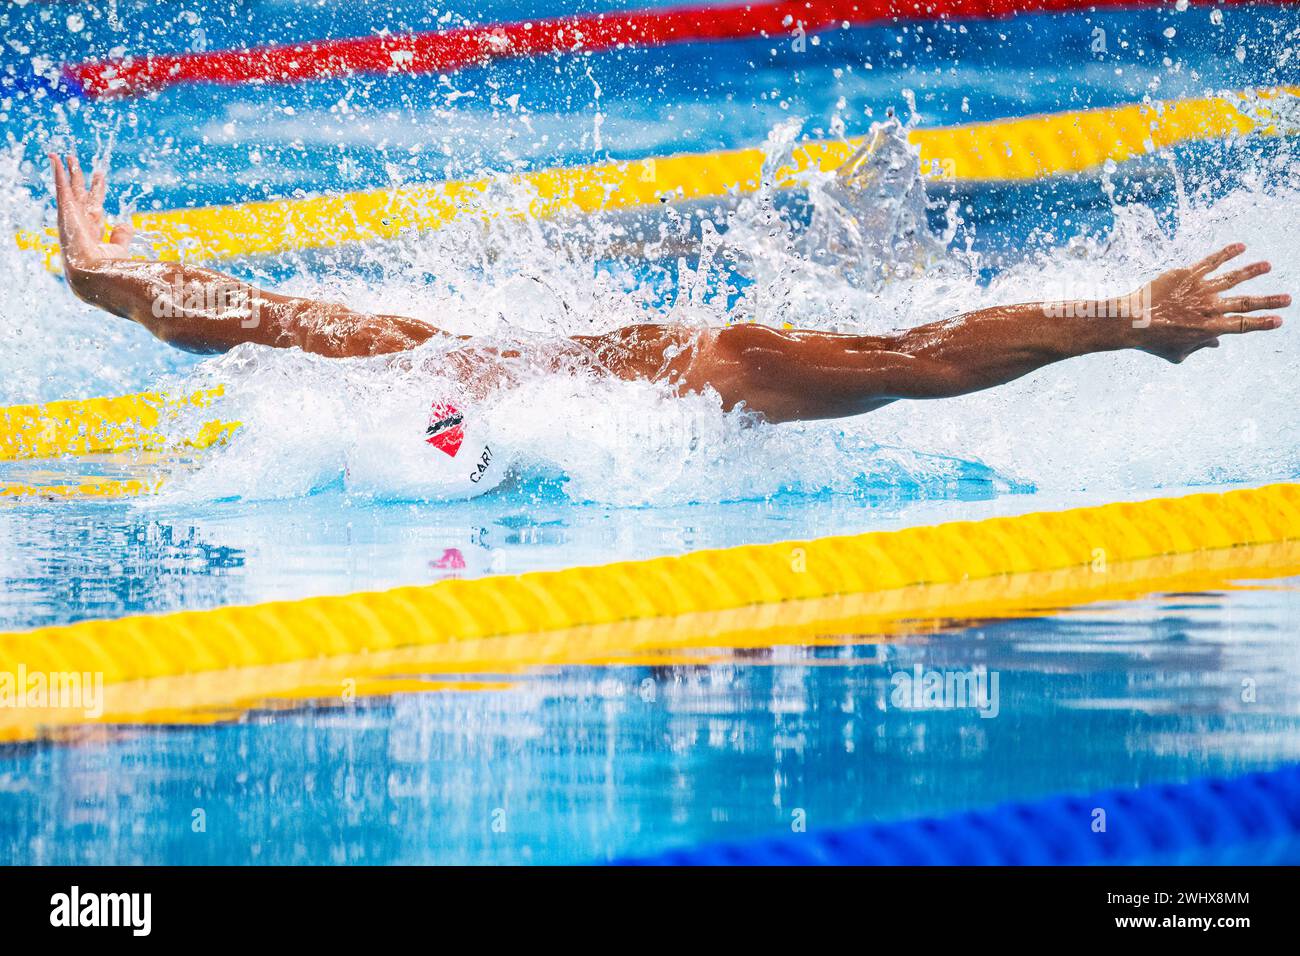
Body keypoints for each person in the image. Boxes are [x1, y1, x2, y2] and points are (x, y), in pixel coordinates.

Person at [48, 150, 1289, 425]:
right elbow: (237, 314)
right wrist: (115, 278)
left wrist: (1126, 317)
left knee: (893, 334)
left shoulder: (715, 371)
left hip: (691, 362)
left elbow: (931, 354)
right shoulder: (430, 361)